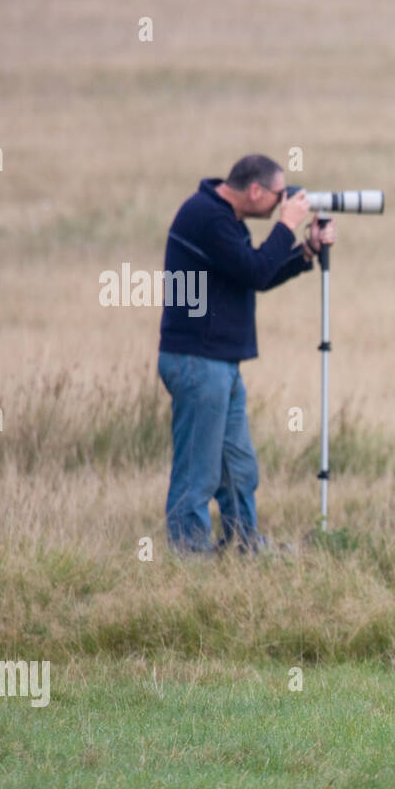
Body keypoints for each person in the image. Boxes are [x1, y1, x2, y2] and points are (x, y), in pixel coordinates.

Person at [157, 154, 337, 554]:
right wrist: (286, 225)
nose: (280, 202)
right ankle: (189, 555)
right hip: (197, 361)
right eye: (278, 195)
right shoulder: (206, 216)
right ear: (255, 190)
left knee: (238, 469)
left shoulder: (223, 218)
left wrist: (304, 251)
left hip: (219, 362)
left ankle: (244, 543)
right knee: (198, 471)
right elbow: (255, 269)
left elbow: (251, 272)